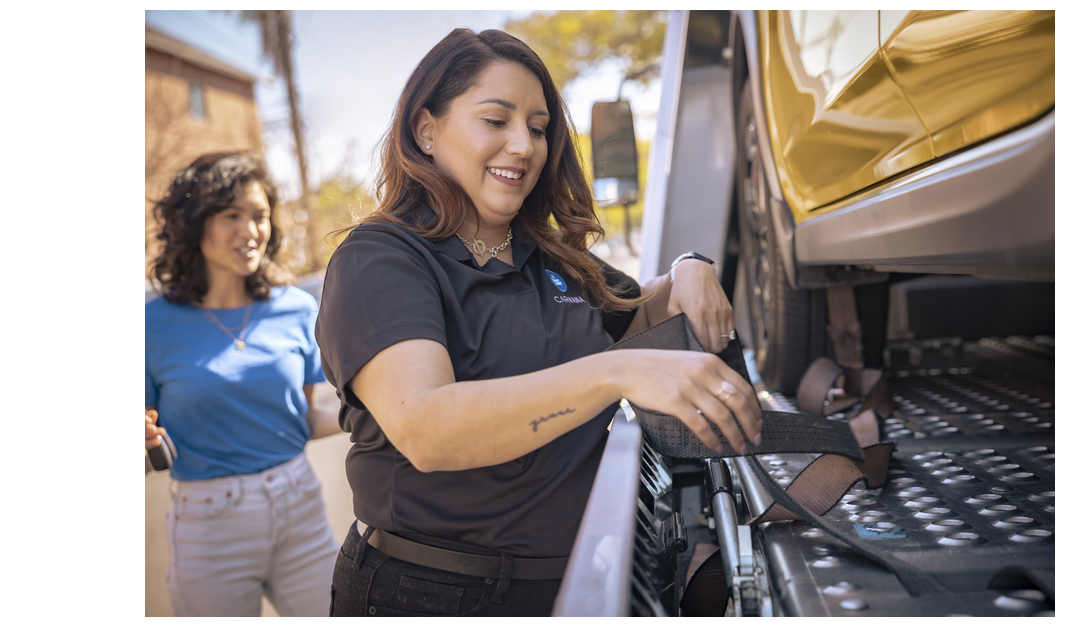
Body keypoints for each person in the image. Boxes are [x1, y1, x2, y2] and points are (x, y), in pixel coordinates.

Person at [316, 28, 763, 617]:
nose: (523, 145)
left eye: (537, 127)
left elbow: (644, 314)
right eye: (495, 120)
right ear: (426, 129)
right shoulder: (380, 258)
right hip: (433, 592)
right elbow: (428, 429)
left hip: (575, 583)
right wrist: (615, 374)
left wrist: (689, 267)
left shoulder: (549, 255)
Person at [145, 152, 341, 617]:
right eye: (231, 215)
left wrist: (372, 418)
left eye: (259, 215)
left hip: (302, 505)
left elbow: (301, 417)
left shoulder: (296, 308)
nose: (250, 230)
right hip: (209, 527)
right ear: (194, 223)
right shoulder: (150, 326)